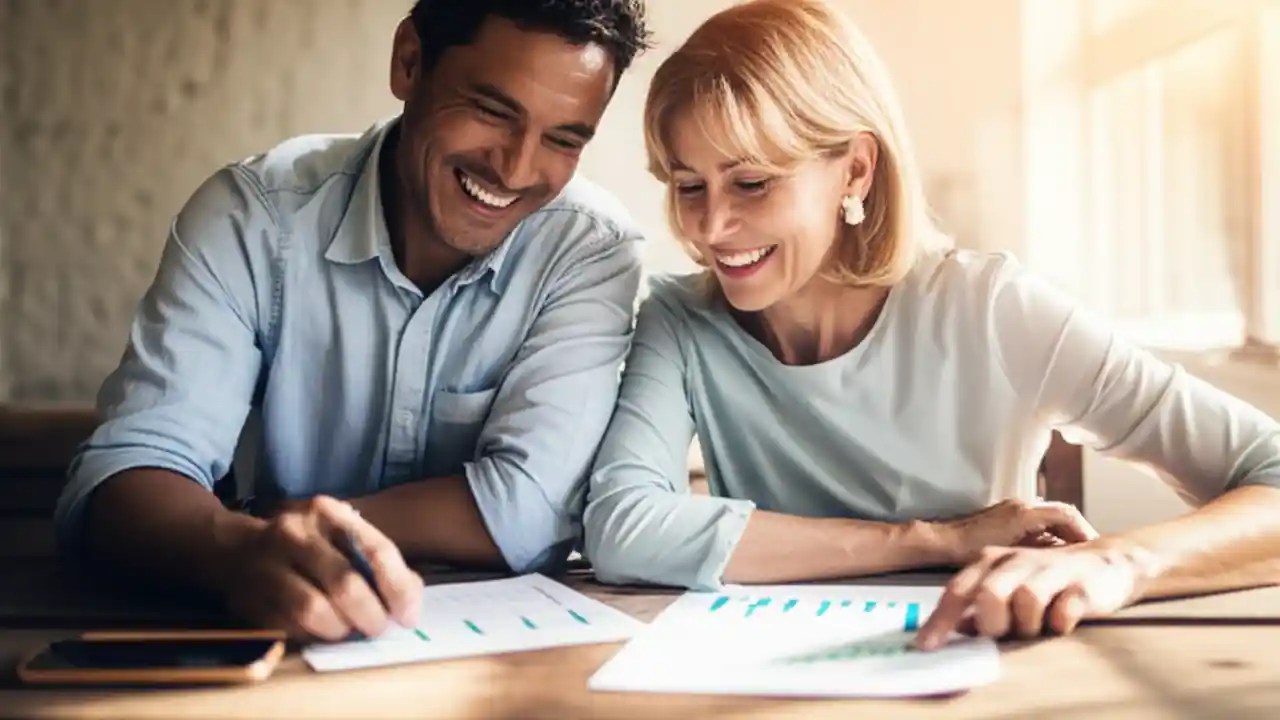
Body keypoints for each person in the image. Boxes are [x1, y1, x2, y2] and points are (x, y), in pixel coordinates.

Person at [583, 0, 1280, 649]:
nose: (711, 227)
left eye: (752, 182)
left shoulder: (993, 309)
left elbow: (1269, 470)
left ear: (854, 171)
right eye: (688, 185)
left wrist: (1120, 562)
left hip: (982, 663)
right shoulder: (679, 319)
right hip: (771, 664)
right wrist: (938, 540)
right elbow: (622, 528)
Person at [56, 0, 651, 641]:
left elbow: (529, 514)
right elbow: (123, 478)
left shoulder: (591, 250)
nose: (514, 169)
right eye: (492, 111)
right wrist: (236, 551)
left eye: (564, 138)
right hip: (273, 644)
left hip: (502, 660)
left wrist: (292, 521)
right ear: (409, 61)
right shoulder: (252, 217)